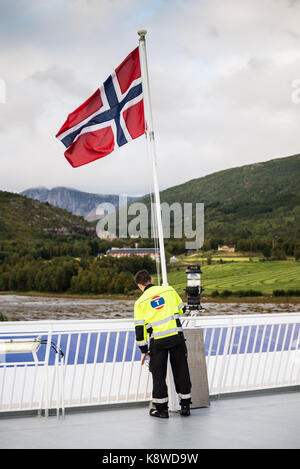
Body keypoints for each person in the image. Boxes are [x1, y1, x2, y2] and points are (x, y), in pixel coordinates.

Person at [134, 269, 192, 418]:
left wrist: (143, 350)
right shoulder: (169, 290)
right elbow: (182, 309)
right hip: (176, 337)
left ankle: (162, 410)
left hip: (158, 342)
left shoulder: (139, 302)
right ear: (151, 279)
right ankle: (185, 406)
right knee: (181, 371)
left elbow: (140, 329)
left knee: (158, 376)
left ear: (140, 285)